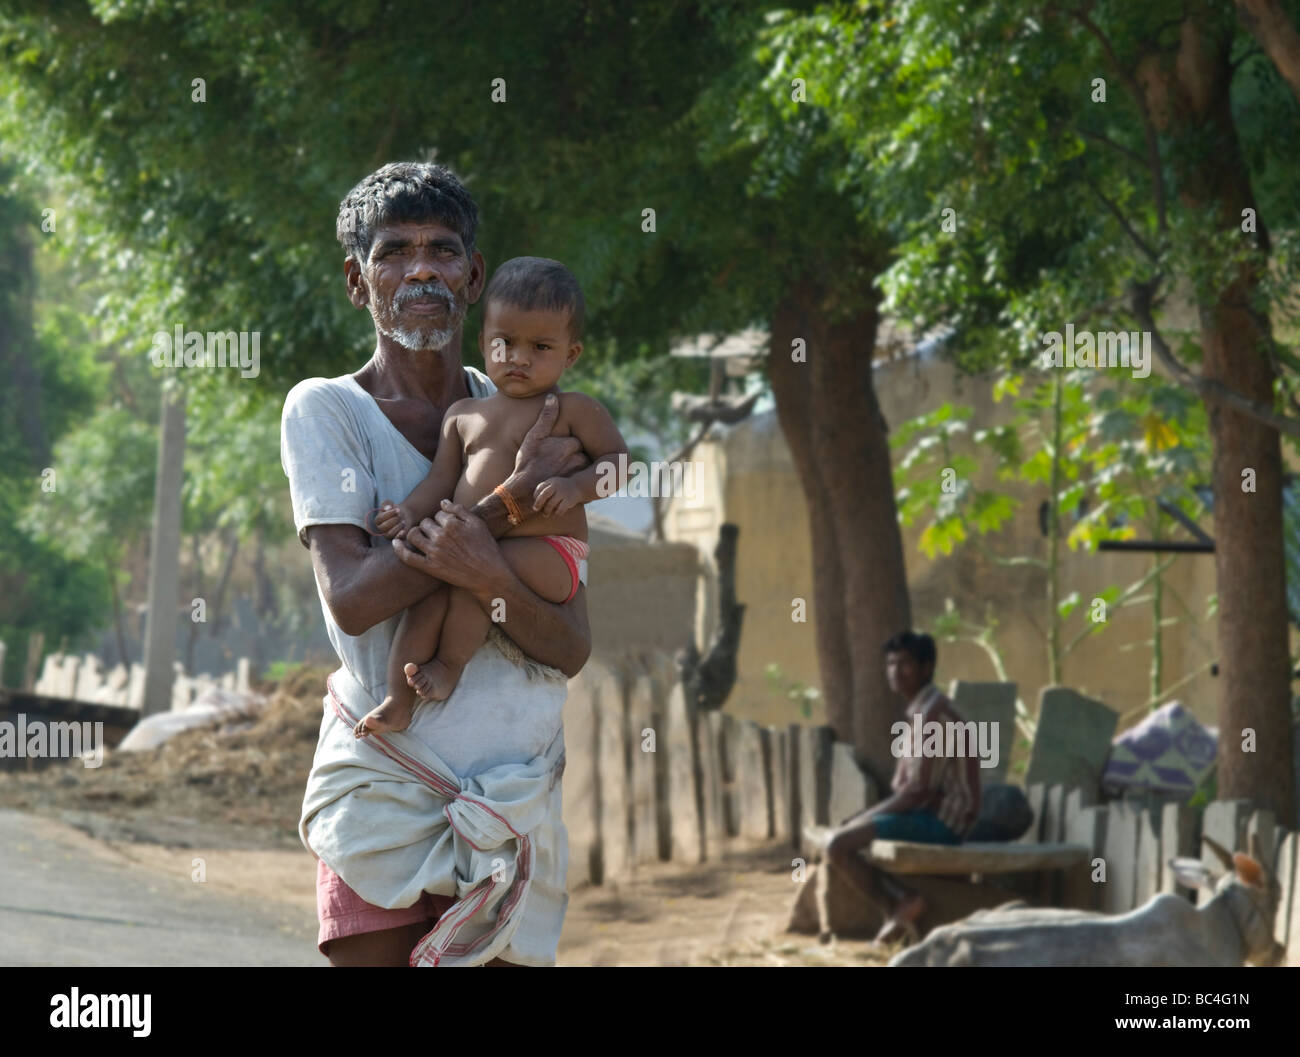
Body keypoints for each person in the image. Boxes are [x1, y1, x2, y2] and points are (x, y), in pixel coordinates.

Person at [280, 161, 591, 967]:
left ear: (475, 276)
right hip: (384, 787)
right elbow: (351, 598)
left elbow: (570, 644)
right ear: (359, 280)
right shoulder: (327, 409)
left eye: (443, 250)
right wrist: (497, 515)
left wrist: (487, 576)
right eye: (394, 252)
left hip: (509, 799)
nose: (422, 268)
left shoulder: (534, 410)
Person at [356, 257, 628, 737]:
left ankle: (449, 667)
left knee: (468, 578)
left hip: (549, 554)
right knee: (430, 590)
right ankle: (396, 701)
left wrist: (575, 486)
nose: (518, 357)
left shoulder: (572, 410)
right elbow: (441, 482)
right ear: (483, 343)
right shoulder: (463, 415)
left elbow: (620, 465)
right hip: (480, 544)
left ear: (571, 355)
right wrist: (407, 513)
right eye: (505, 342)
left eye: (540, 346)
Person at [822, 631, 981, 945]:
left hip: (944, 823)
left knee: (838, 844)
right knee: (846, 835)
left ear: (926, 667)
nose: (895, 671)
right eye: (890, 663)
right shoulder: (922, 711)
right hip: (926, 815)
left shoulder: (935, 715)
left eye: (905, 663)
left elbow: (917, 793)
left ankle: (897, 905)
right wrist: (865, 818)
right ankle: (900, 903)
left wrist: (862, 819)